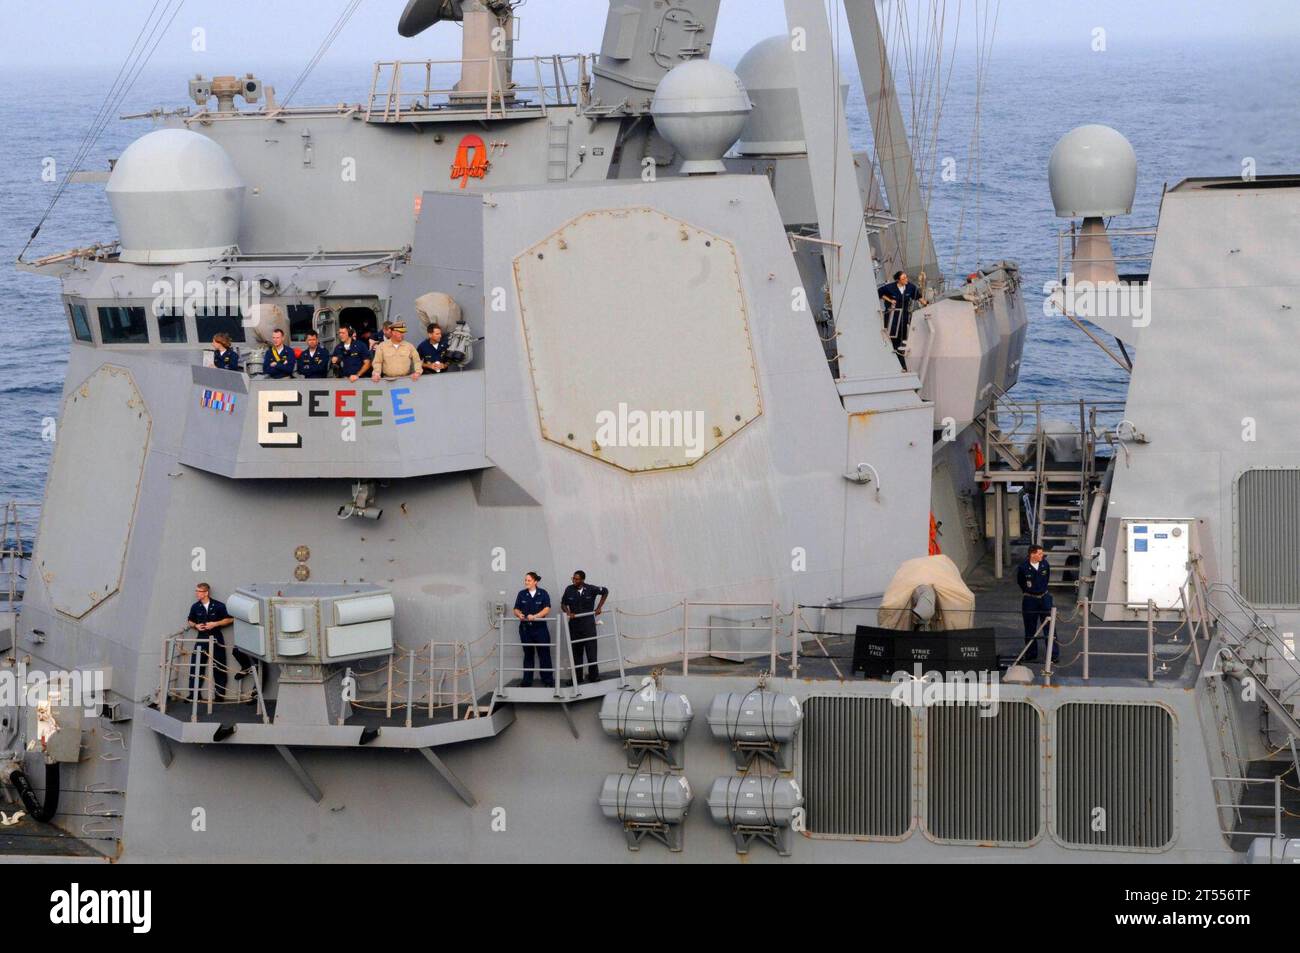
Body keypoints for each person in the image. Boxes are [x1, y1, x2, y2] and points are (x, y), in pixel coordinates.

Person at [186, 583, 256, 699]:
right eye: (196, 591)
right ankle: (193, 694)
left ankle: (219, 695)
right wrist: (196, 626)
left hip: (216, 637)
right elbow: (190, 620)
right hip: (202, 637)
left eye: (199, 591)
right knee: (196, 665)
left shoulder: (218, 606)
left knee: (219, 666)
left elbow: (230, 619)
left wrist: (215, 623)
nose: (197, 593)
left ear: (206, 593)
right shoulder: (195, 607)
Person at [561, 571, 609, 684]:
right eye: (573, 578)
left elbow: (605, 591)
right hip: (574, 627)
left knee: (591, 653)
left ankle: (594, 676)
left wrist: (599, 608)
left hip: (588, 626)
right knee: (576, 654)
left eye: (577, 579)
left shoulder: (591, 589)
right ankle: (577, 678)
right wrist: (568, 612)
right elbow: (563, 604)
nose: (574, 581)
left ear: (582, 580)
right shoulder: (569, 589)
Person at [877, 270, 927, 367]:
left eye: (906, 277)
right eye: (903, 278)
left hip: (904, 315)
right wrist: (890, 300)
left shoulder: (910, 287)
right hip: (893, 316)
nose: (906, 279)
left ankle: (901, 356)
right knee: (893, 336)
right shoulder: (890, 287)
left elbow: (918, 297)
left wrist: (925, 303)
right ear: (898, 280)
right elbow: (879, 293)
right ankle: (893, 355)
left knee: (903, 336)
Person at [1016, 545, 1056, 662]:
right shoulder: (1023, 567)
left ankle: (1053, 654)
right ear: (1032, 554)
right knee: (1030, 628)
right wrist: (1030, 592)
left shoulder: (1045, 564)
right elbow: (1021, 582)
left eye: (1042, 553)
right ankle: (1031, 654)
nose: (1042, 555)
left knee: (1050, 627)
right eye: (1039, 554)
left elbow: (1046, 578)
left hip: (1044, 598)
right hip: (1030, 600)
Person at [513, 572, 553, 688]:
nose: (526, 582)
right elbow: (516, 609)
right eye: (525, 580)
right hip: (526, 629)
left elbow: (547, 609)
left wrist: (535, 616)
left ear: (535, 582)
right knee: (528, 655)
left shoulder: (543, 593)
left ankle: (548, 681)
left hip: (540, 629)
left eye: (529, 580)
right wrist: (519, 614)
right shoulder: (521, 594)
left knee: (544, 654)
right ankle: (526, 681)